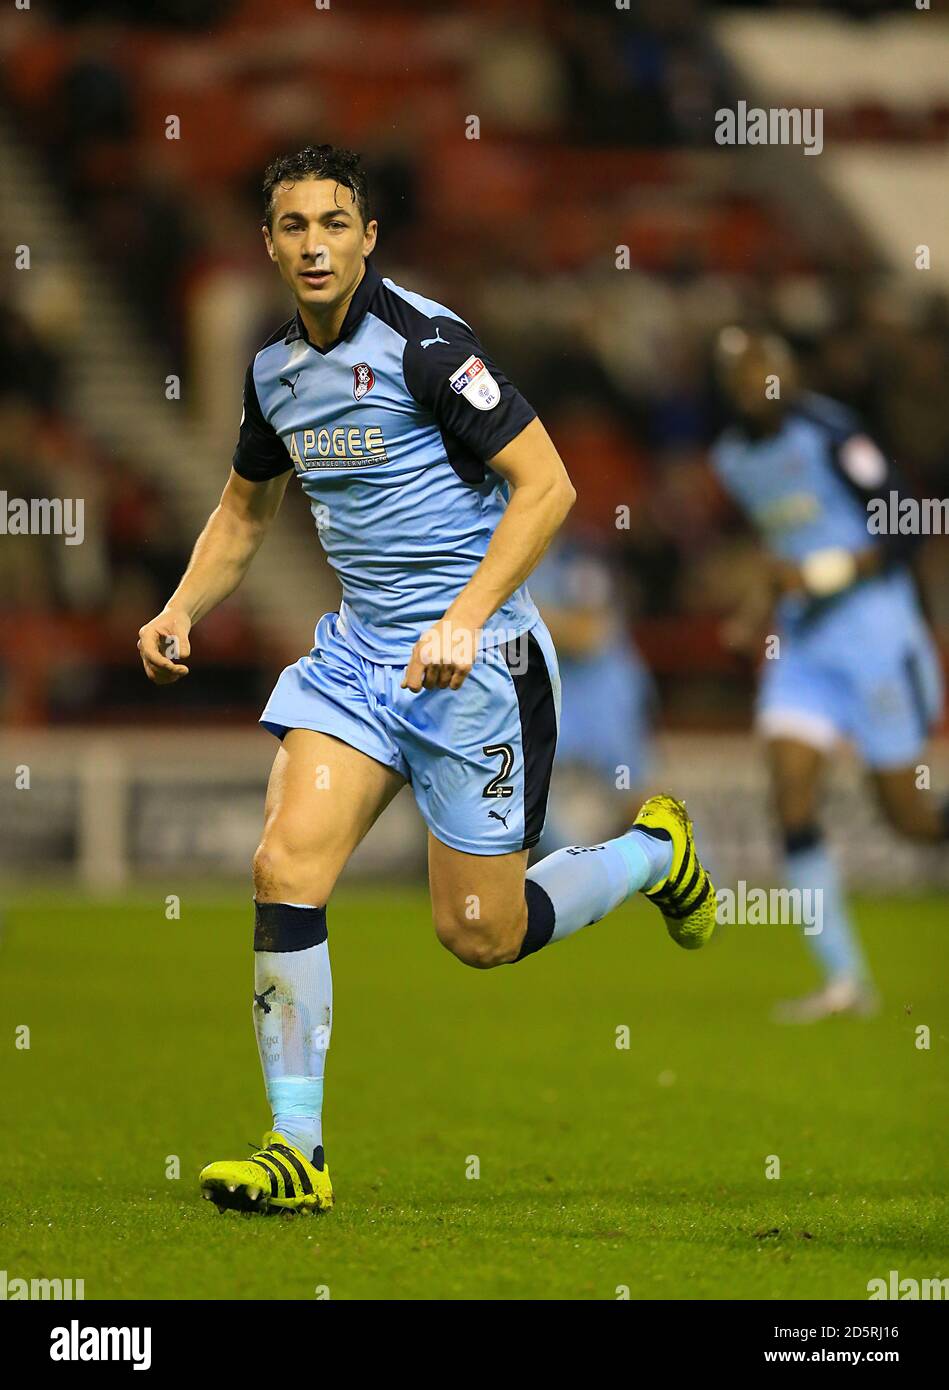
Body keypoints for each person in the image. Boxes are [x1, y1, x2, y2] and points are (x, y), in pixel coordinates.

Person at [138, 145, 716, 1214]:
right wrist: (180, 608)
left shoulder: (428, 347)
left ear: (368, 237)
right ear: (268, 244)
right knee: (284, 865)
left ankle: (651, 853)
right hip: (360, 661)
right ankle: (296, 1150)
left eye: (334, 224)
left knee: (480, 934)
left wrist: (464, 616)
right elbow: (244, 511)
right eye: (294, 226)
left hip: (477, 664)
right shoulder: (273, 374)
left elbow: (547, 487)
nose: (314, 245)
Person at [711, 326, 946, 1023]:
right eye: (742, 373)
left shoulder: (832, 434)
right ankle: (844, 982)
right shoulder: (731, 460)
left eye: (766, 368)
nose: (757, 383)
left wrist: (821, 573)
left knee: (909, 821)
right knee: (789, 793)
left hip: (876, 637)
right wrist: (755, 608)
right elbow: (781, 545)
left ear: (786, 372)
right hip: (805, 650)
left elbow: (906, 527)